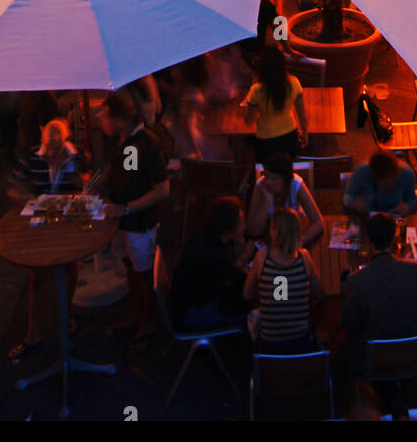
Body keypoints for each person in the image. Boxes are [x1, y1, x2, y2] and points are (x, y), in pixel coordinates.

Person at [99, 89, 170, 350]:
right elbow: (124, 174)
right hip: (124, 221)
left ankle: (147, 324)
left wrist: (127, 208)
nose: (102, 120)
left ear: (119, 119)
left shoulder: (145, 144)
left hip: (141, 224)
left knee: (143, 275)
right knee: (130, 268)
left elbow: (163, 190)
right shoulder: (123, 142)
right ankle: (134, 316)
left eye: (105, 116)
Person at [8, 118, 82, 360]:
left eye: (57, 149)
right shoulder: (33, 157)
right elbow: (12, 187)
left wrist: (81, 186)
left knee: (71, 270)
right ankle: (33, 331)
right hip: (42, 222)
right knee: (37, 275)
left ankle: (66, 315)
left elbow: (86, 182)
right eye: (49, 149)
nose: (52, 154)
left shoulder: (73, 156)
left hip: (66, 222)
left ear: (65, 142)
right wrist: (26, 196)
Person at [341, 211, 417, 376]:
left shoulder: (356, 280)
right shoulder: (414, 270)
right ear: (394, 239)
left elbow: (349, 322)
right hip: (412, 355)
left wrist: (345, 288)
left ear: (369, 242)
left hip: (374, 361)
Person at [243, 207, 324, 354]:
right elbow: (320, 294)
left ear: (274, 231)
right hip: (300, 345)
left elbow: (247, 294)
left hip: (269, 347)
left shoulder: (261, 257)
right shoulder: (304, 257)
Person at [171, 196, 252, 331]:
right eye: (241, 223)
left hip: (187, 303)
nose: (245, 226)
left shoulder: (204, 236)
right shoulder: (211, 252)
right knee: (255, 313)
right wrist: (244, 256)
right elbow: (236, 280)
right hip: (194, 313)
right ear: (229, 229)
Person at [241, 45, 307, 163]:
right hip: (290, 137)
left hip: (266, 141)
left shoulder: (256, 90)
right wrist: (305, 133)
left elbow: (249, 121)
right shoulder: (294, 83)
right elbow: (302, 115)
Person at [247, 152, 323, 245]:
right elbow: (254, 231)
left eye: (274, 178)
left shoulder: (295, 183)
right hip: (269, 239)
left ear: (285, 179)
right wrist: (267, 200)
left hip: (292, 235)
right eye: (266, 175)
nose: (268, 182)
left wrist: (298, 243)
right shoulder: (261, 186)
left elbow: (318, 223)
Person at [344, 152, 417, 218]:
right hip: (366, 217)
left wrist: (407, 206)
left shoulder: (407, 174)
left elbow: (411, 199)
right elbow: (348, 195)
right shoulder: (361, 171)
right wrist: (353, 203)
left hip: (394, 217)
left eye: (390, 181)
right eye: (384, 184)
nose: (387, 186)